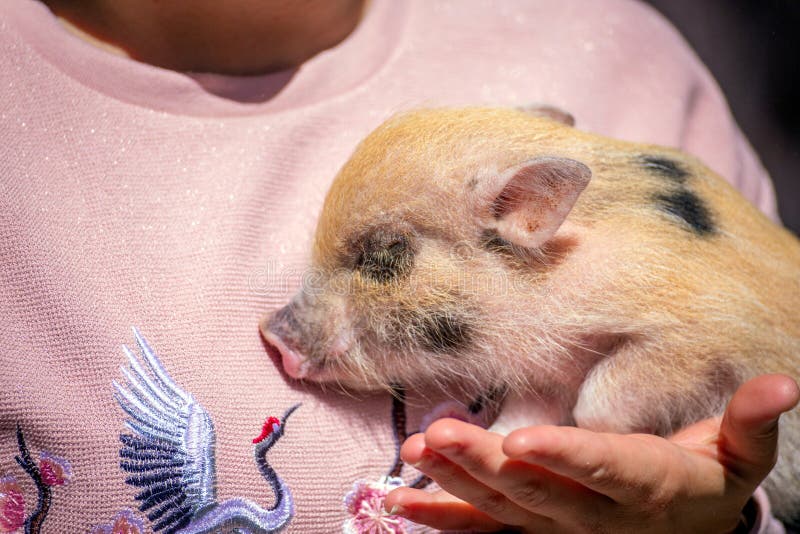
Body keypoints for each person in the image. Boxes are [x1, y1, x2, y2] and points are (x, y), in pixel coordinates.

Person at [0, 0, 794, 532]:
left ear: (530, 209)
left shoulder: (614, 51)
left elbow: (710, 345)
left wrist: (721, 517)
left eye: (383, 259)